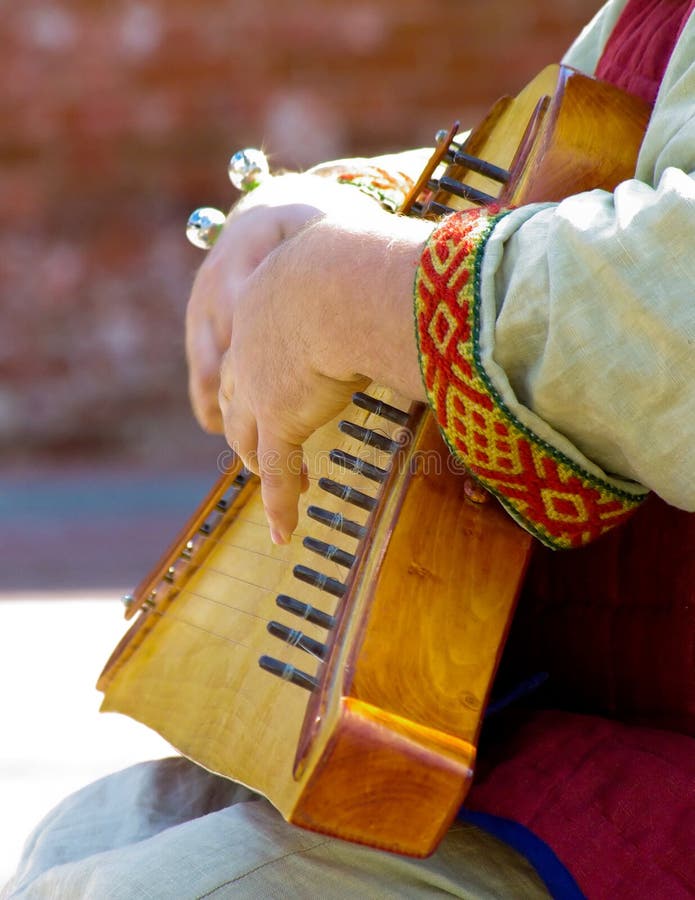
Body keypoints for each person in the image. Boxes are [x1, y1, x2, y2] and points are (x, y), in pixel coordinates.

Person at [5, 0, 694, 896]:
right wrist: (322, 208)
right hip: (570, 713)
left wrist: (353, 290)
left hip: (662, 773)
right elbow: (578, 174)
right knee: (86, 833)